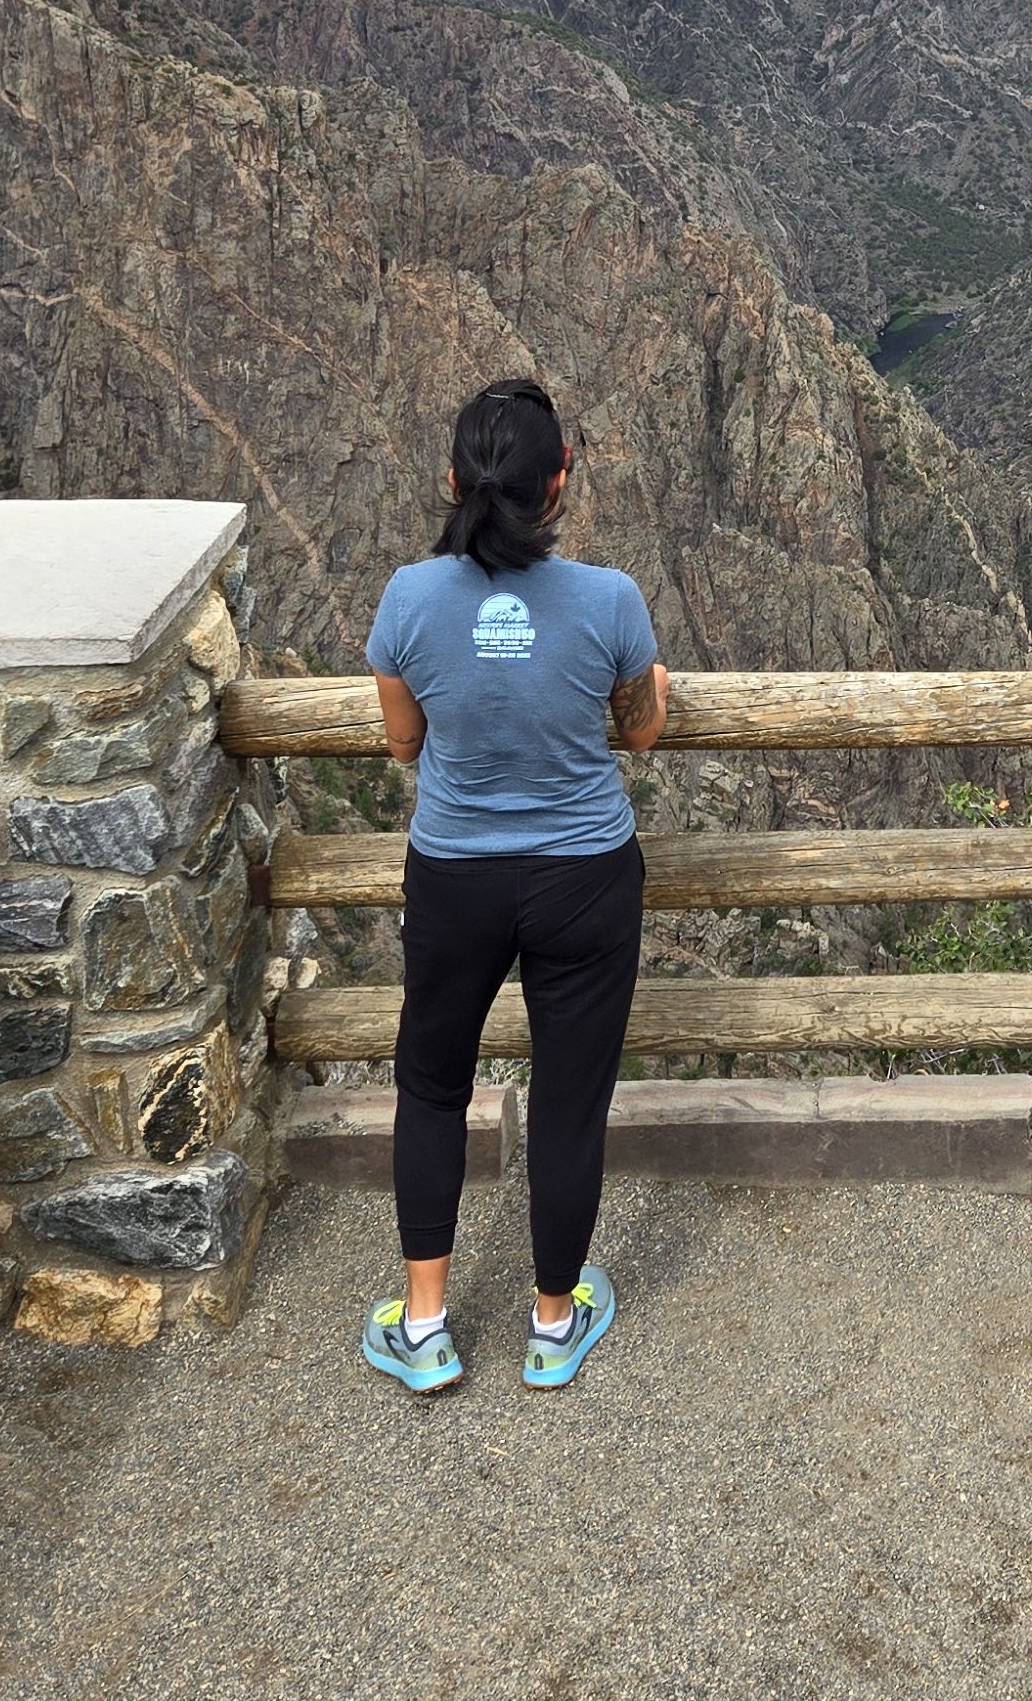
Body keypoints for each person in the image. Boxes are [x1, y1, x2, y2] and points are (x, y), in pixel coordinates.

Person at [355, 377, 668, 1393]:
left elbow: (402, 744)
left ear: (452, 482)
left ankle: (425, 1324)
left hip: (455, 877)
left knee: (433, 1086)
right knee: (569, 1101)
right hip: (584, 875)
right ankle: (549, 1321)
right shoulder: (610, 599)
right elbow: (643, 731)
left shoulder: (407, 597)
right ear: (559, 485)